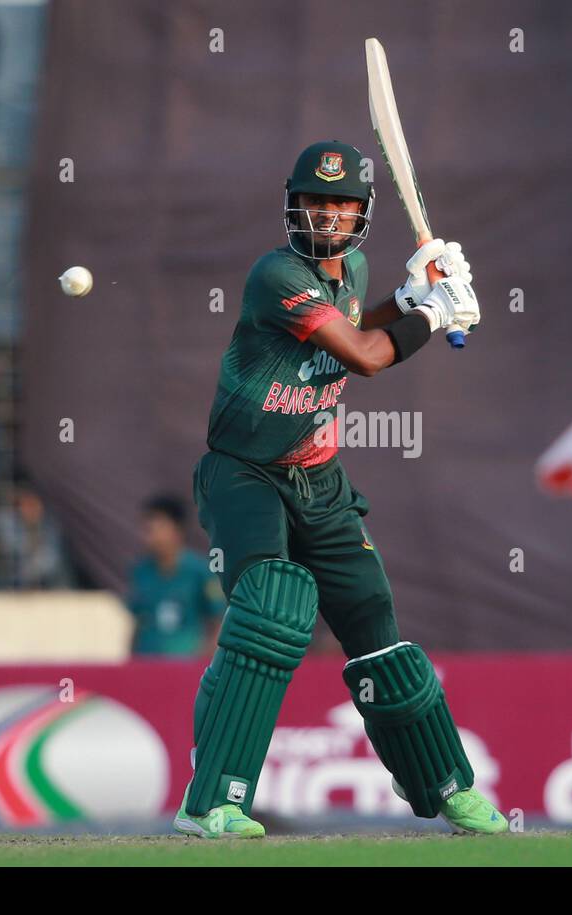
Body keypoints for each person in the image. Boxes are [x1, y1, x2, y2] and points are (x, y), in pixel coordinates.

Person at [175, 140, 503, 838]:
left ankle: (447, 788)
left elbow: (358, 325)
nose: (327, 217)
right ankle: (215, 802)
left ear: (362, 213)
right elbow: (362, 356)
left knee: (375, 626)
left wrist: (410, 298)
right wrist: (436, 315)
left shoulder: (349, 268)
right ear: (292, 205)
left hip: (321, 480)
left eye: (342, 205)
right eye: (315, 203)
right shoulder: (277, 275)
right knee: (273, 608)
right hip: (245, 472)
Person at [126, 496, 223, 657]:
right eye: (146, 530)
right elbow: (137, 621)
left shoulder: (201, 571)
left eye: (157, 529)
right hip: (147, 661)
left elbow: (219, 622)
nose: (150, 537)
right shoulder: (140, 571)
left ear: (177, 530)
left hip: (185, 663)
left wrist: (203, 658)